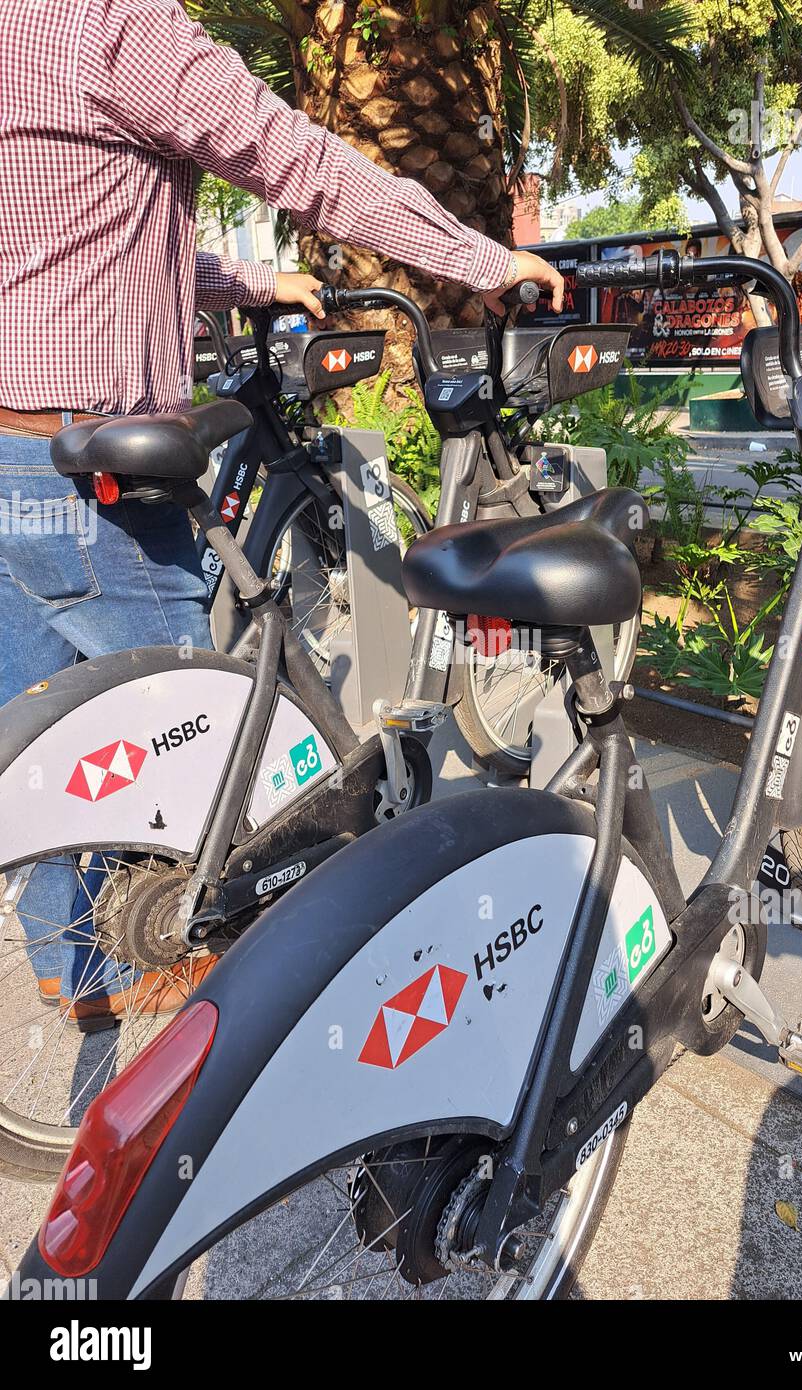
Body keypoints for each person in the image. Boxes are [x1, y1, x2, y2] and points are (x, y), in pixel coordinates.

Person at [0, 0, 562, 1029]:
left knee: (41, 722)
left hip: (9, 453)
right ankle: (220, 1029)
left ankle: (69, 968)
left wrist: (248, 281)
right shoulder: (105, 19)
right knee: (194, 749)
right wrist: (481, 258)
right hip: (89, 471)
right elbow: (296, 157)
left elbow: (82, 233)